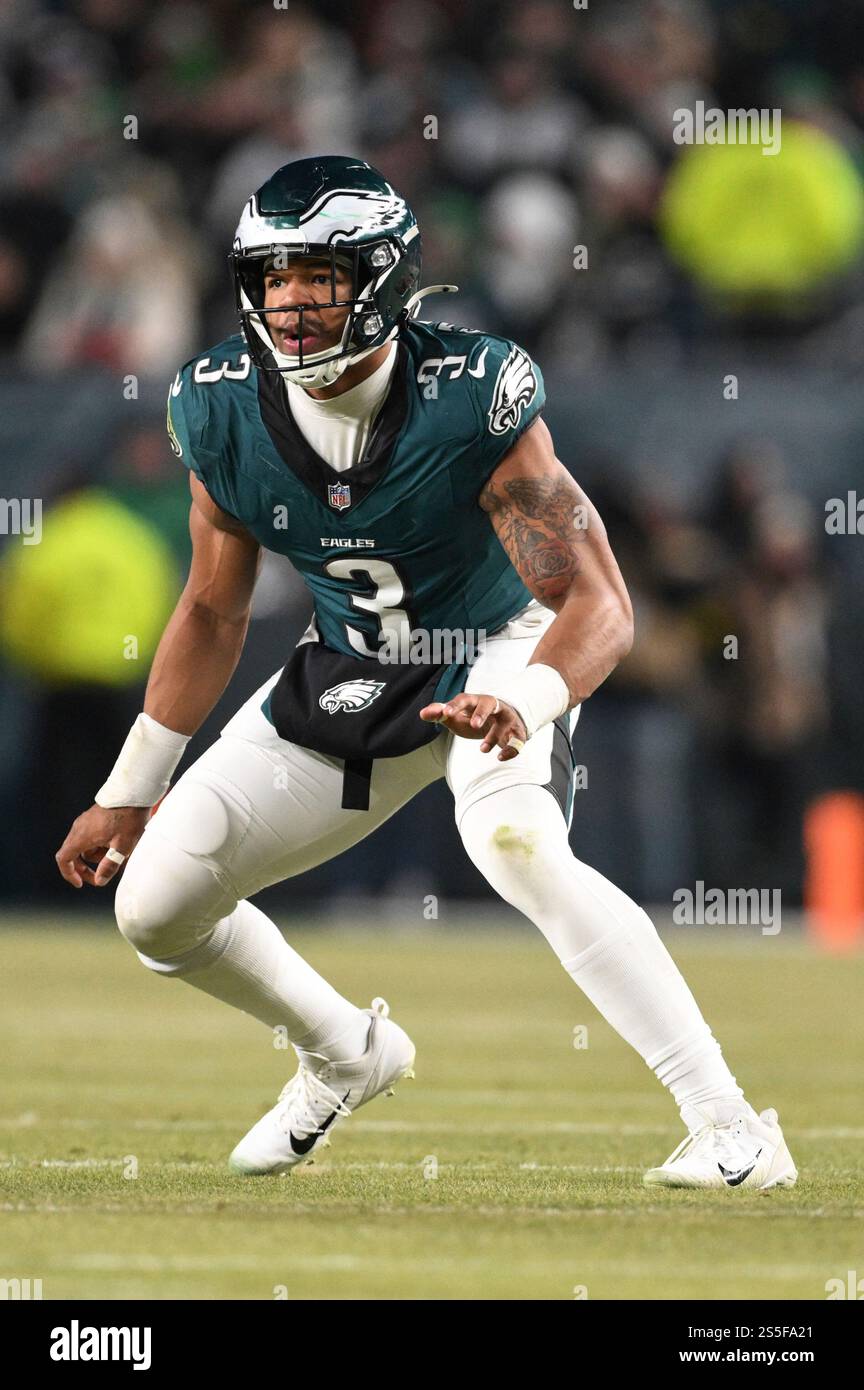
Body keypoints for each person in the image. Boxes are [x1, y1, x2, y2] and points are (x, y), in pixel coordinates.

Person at [56, 156, 796, 1189]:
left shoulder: (470, 394)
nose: (293, 303)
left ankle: (730, 1122)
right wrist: (130, 788)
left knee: (513, 838)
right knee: (157, 905)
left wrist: (528, 696)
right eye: (273, 277)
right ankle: (343, 1053)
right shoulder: (218, 406)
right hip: (350, 662)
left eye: (319, 276)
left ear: (383, 278)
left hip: (494, 641)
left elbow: (600, 603)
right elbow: (213, 606)